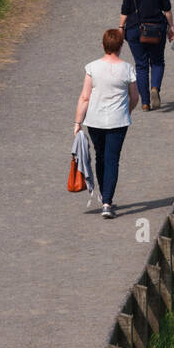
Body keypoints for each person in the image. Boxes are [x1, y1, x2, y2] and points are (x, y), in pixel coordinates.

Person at [74, 28, 138, 219]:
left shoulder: (92, 68)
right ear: (121, 46)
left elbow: (85, 97)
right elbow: (134, 97)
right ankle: (107, 202)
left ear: (103, 45)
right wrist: (127, 110)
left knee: (100, 157)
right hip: (118, 121)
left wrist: (77, 121)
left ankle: (104, 195)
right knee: (112, 159)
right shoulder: (127, 69)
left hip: (95, 120)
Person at [119, 0, 174, 111]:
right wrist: (170, 27)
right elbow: (167, 9)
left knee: (141, 65)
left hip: (135, 28)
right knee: (157, 61)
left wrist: (121, 28)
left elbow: (125, 9)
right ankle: (155, 88)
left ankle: (145, 102)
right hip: (156, 27)